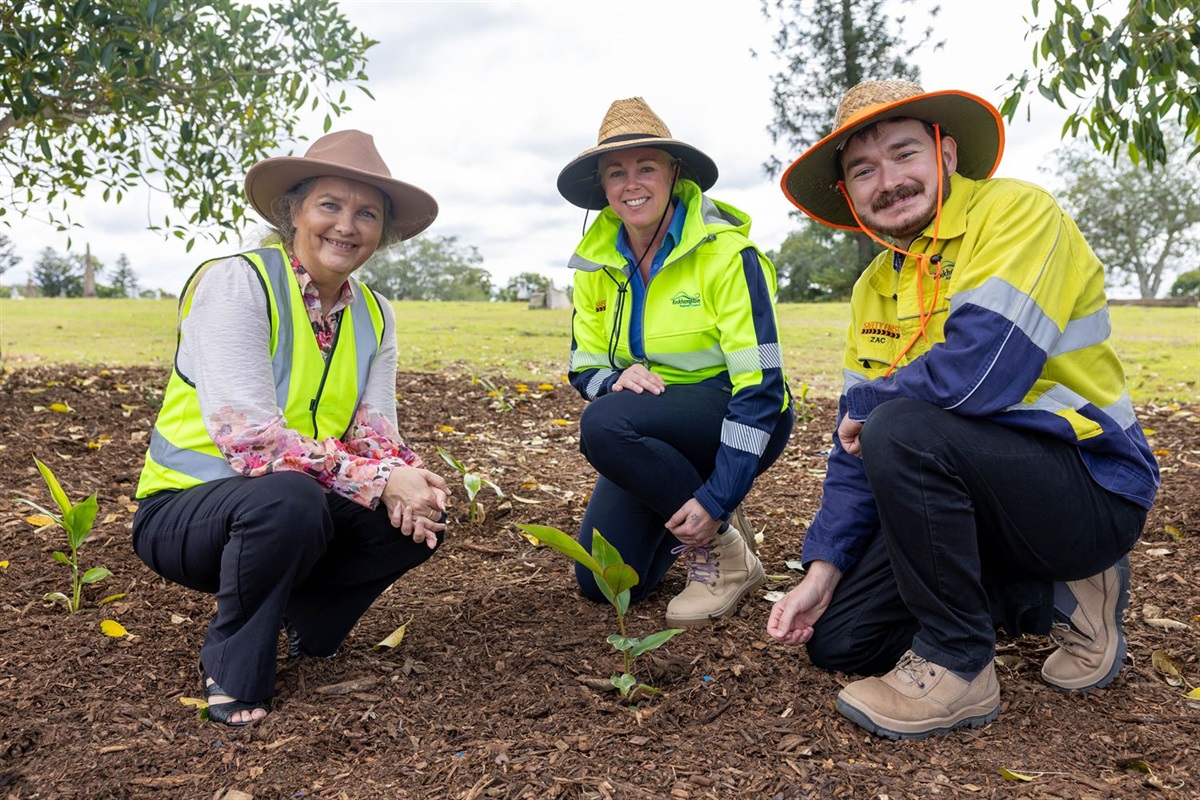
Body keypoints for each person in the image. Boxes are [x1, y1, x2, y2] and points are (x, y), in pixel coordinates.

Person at [766, 81, 1160, 739]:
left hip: (1085, 488)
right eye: (864, 170)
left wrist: (872, 405)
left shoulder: (1018, 214)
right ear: (849, 194)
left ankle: (959, 667)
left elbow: (983, 372)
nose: (888, 181)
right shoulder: (874, 287)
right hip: (966, 486)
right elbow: (853, 446)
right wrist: (822, 568)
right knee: (840, 640)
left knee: (900, 426)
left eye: (903, 154)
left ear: (946, 154)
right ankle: (1051, 596)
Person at [133, 130, 450, 726]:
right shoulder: (237, 283)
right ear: (293, 212)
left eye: (367, 214)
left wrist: (408, 480)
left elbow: (375, 432)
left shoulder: (375, 313)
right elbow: (251, 442)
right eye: (329, 205)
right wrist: (380, 482)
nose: (347, 226)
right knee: (288, 498)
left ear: (382, 233)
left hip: (291, 500)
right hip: (187, 510)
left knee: (417, 520)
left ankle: (310, 622)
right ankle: (233, 669)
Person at [557, 97, 794, 627]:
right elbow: (583, 366)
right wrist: (615, 378)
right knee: (603, 584)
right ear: (602, 186)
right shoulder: (594, 268)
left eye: (646, 167)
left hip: (738, 415)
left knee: (603, 424)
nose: (631, 183)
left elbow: (760, 389)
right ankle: (698, 512)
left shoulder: (729, 256)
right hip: (653, 431)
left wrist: (719, 496)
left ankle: (722, 548)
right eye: (615, 172)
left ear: (673, 173)